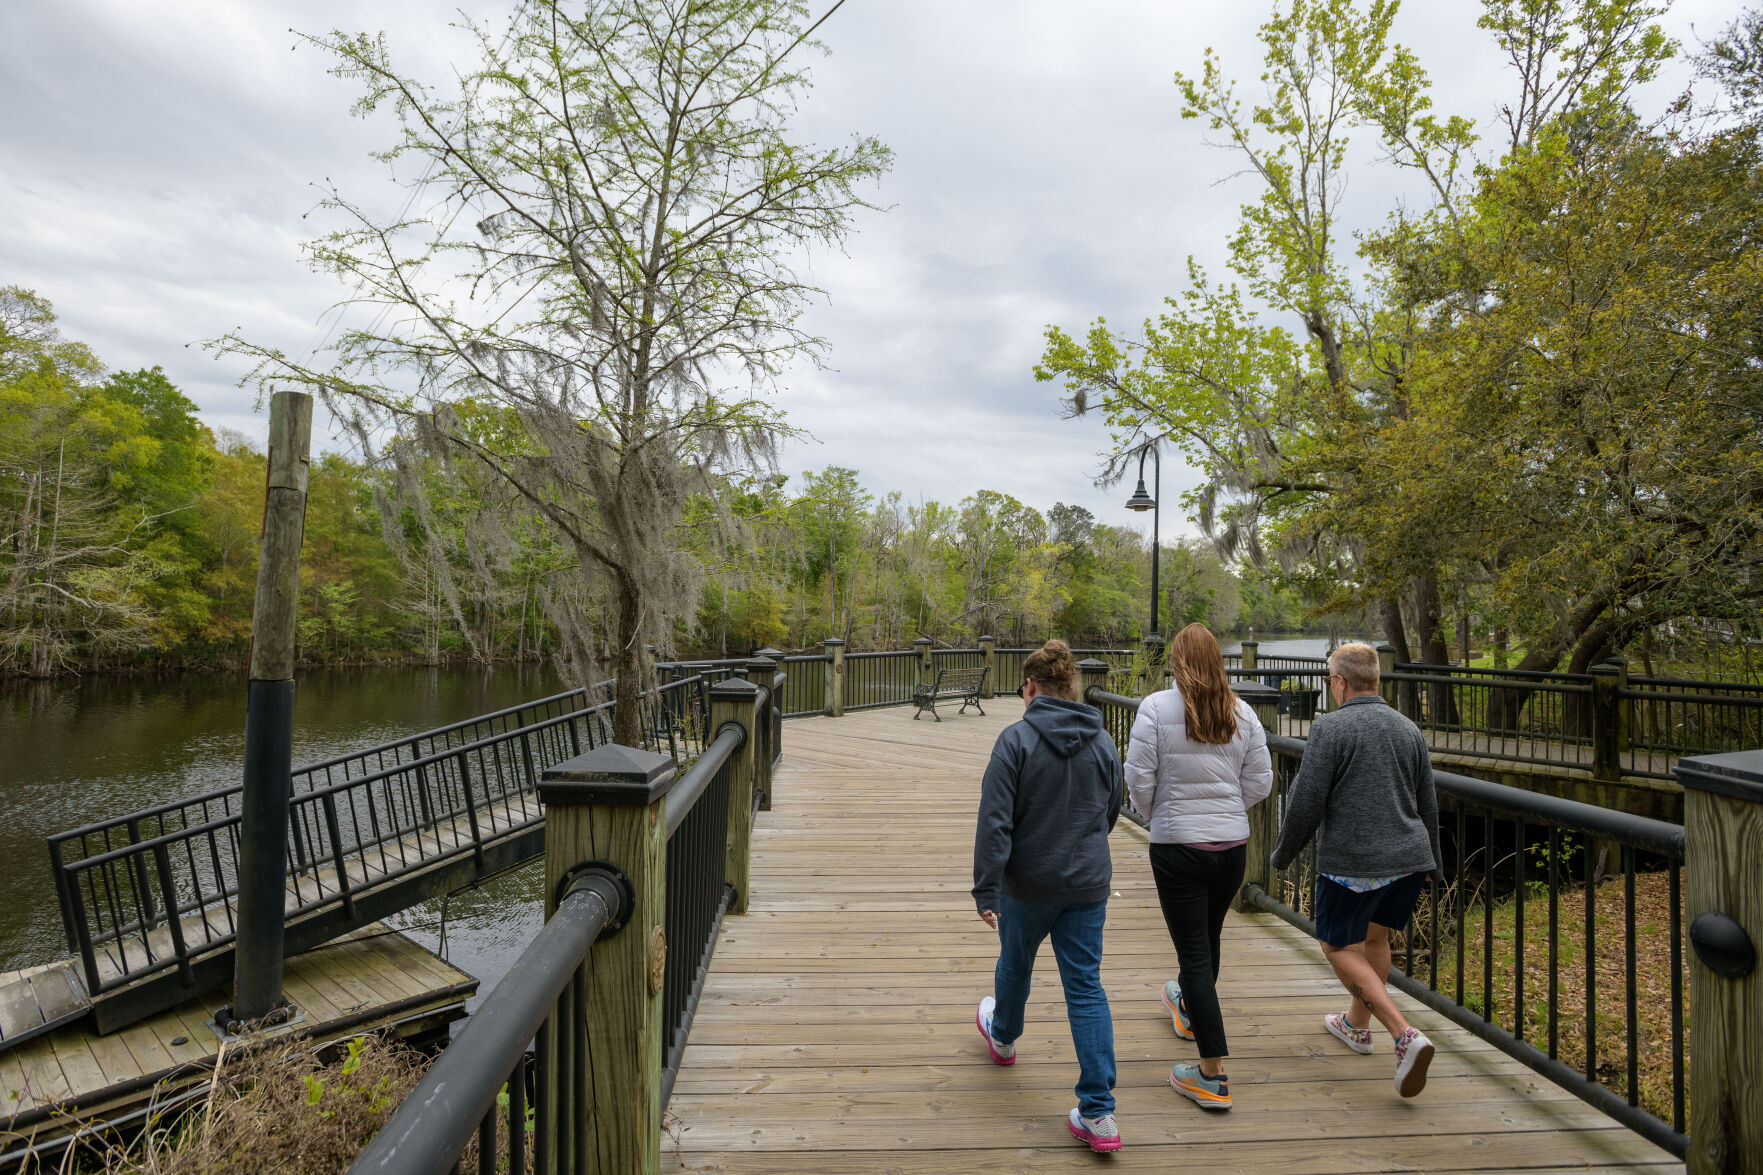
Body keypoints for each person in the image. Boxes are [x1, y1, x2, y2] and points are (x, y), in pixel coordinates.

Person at [1269, 641, 1443, 1098]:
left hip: (1355, 864)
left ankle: (1404, 1034)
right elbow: (1427, 801)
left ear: (1340, 682)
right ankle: (1355, 1026)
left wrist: (1282, 856)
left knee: (1336, 944)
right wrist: (1434, 861)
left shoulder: (1330, 728)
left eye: (1331, 680)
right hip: (1409, 861)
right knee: (1375, 938)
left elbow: (1306, 802)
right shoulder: (1408, 728)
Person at [972, 638, 1126, 1153]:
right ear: (1072, 688)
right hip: (1087, 884)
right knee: (1085, 987)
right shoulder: (1103, 742)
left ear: (1031, 688)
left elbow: (995, 822)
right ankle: (1099, 1113)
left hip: (1027, 885)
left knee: (1015, 966)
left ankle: (1003, 1038)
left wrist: (987, 887)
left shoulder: (1015, 741)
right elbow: (1111, 810)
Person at [1125, 622, 1273, 1112]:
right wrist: (1226, 811)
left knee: (1193, 953)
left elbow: (1138, 778)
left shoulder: (1154, 708)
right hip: (1231, 849)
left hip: (1178, 850)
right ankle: (1189, 1007)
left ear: (1176, 661)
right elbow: (1261, 782)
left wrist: (1159, 816)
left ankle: (1211, 1073)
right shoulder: (1243, 712)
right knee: (1208, 939)